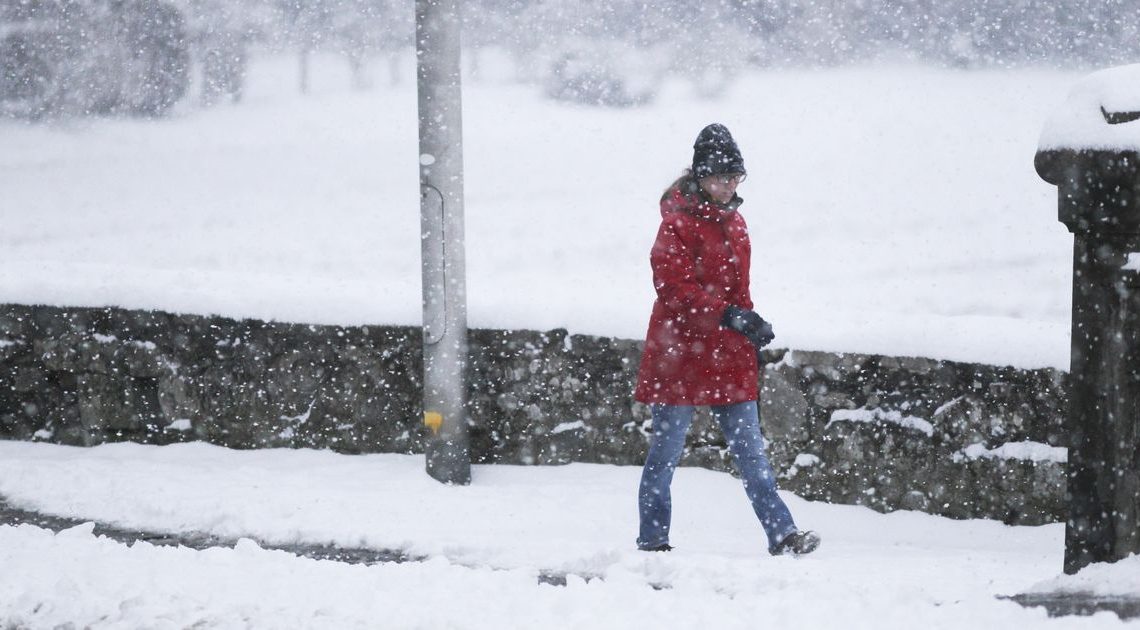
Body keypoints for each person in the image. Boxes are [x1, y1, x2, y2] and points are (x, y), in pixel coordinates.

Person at [633, 123, 820, 556]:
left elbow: (738, 292)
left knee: (752, 455)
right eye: (720, 178)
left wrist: (750, 324)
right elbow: (675, 292)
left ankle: (783, 535)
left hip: (726, 352)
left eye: (735, 177)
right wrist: (730, 316)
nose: (728, 186)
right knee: (665, 455)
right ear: (699, 176)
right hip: (679, 355)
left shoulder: (736, 223)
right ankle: (653, 540)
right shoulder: (675, 226)